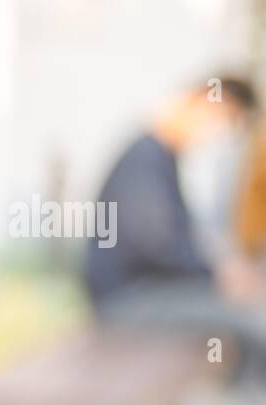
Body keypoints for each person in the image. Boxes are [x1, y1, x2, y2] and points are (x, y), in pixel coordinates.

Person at [84, 75, 266, 378]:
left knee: (248, 310)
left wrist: (224, 271)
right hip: (125, 301)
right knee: (252, 318)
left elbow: (178, 242)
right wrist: (219, 276)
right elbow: (160, 245)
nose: (217, 134)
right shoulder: (145, 158)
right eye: (225, 119)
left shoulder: (161, 157)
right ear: (203, 102)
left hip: (146, 292)